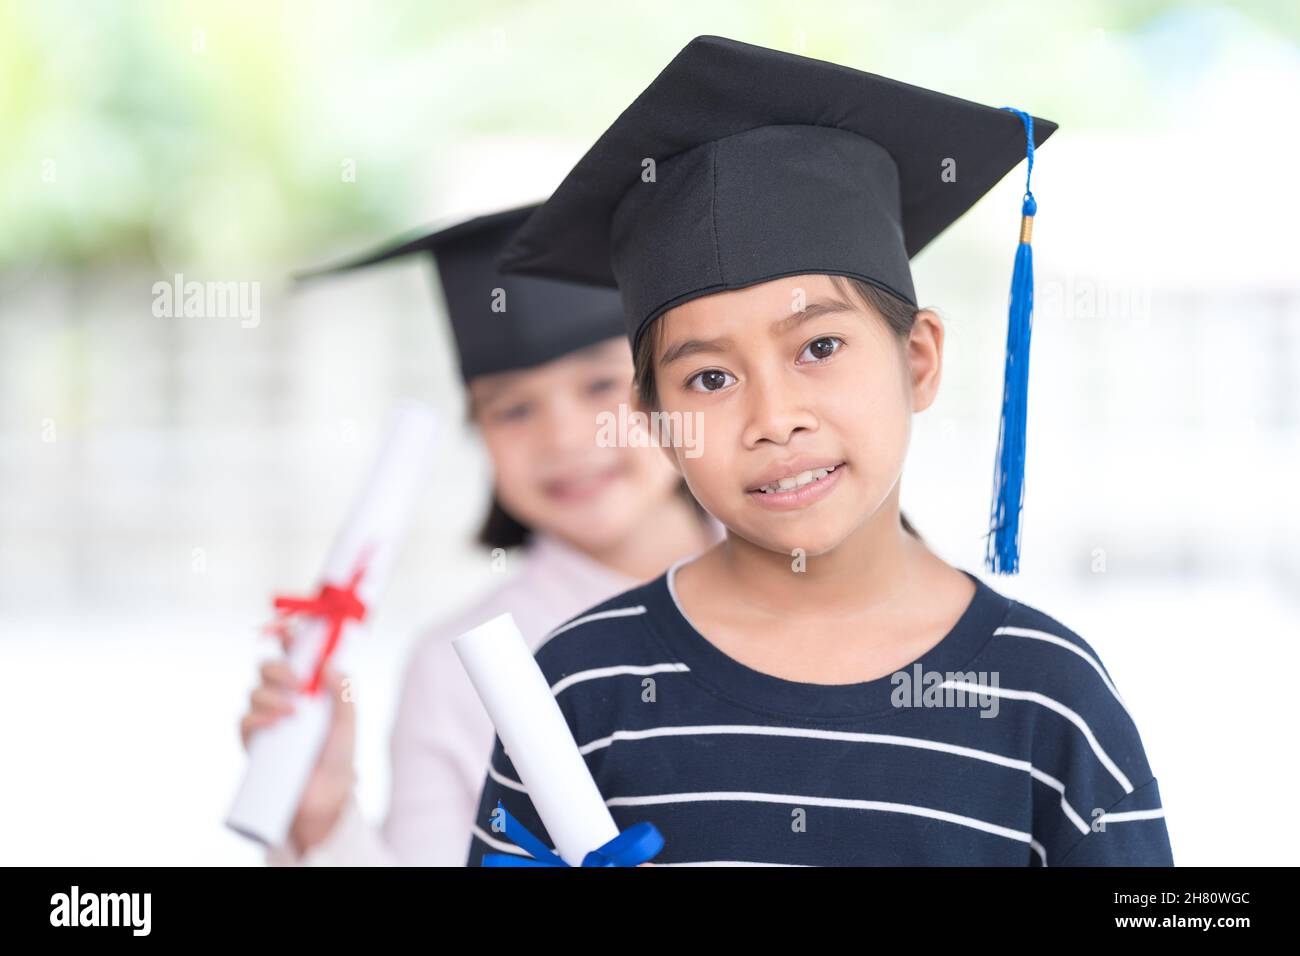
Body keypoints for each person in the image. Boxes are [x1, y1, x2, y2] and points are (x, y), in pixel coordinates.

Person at [466, 36, 1173, 866]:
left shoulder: (1047, 695)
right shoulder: (579, 686)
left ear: (919, 359)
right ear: (658, 424)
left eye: (820, 349)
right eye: (709, 380)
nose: (774, 418)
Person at [240, 205, 721, 865]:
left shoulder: (810, 577)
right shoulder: (454, 671)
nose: (564, 438)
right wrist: (323, 820)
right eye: (513, 408)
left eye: (600, 384)